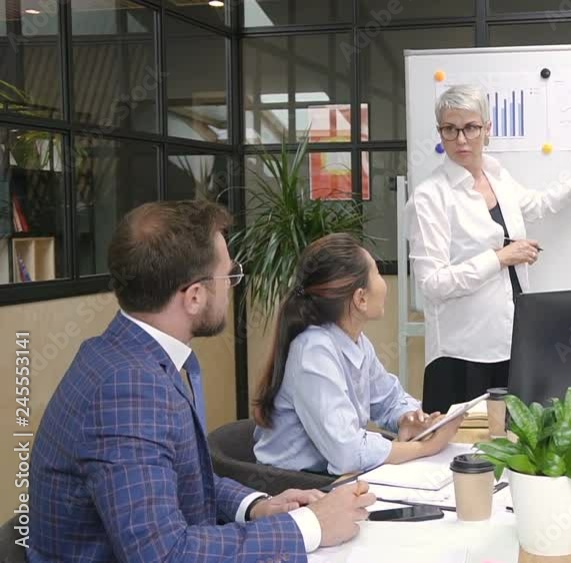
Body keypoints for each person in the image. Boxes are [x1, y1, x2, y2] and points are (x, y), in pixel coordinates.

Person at [29, 201, 375, 562]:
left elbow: (178, 480)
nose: (231, 287)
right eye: (229, 276)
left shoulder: (123, 353)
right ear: (194, 296)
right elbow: (165, 555)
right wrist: (310, 526)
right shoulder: (128, 389)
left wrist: (260, 506)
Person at [407, 84, 571, 413]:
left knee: (514, 446)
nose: (460, 139)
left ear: (487, 130)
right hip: (463, 354)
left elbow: (540, 203)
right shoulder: (430, 197)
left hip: (512, 344)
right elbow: (432, 284)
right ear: (439, 132)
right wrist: (499, 258)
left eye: (470, 127)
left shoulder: (498, 178)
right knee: (459, 456)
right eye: (449, 129)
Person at [253, 234, 463, 476]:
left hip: (332, 479)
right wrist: (426, 447)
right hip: (295, 487)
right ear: (360, 298)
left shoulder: (355, 341)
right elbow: (348, 453)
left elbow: (388, 399)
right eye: (376, 273)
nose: (383, 283)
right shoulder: (313, 352)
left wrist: (409, 419)